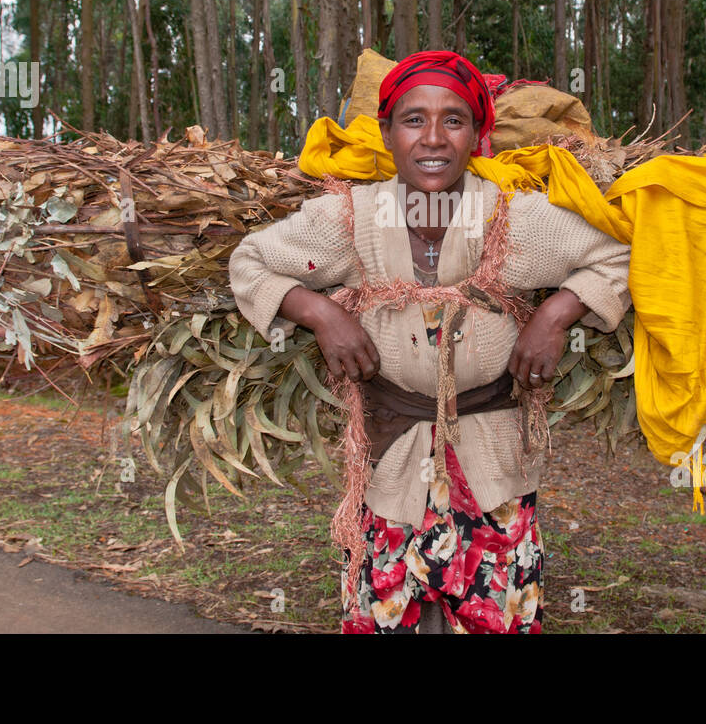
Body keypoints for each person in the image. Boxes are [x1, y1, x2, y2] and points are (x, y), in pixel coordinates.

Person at [229, 50, 631, 633]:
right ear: (388, 134)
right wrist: (317, 310)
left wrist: (557, 314)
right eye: (414, 120)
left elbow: (616, 253)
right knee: (387, 612)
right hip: (391, 458)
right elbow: (252, 262)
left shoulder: (512, 218)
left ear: (477, 136)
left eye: (455, 120)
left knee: (496, 615)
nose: (434, 139)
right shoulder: (352, 219)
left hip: (493, 463)